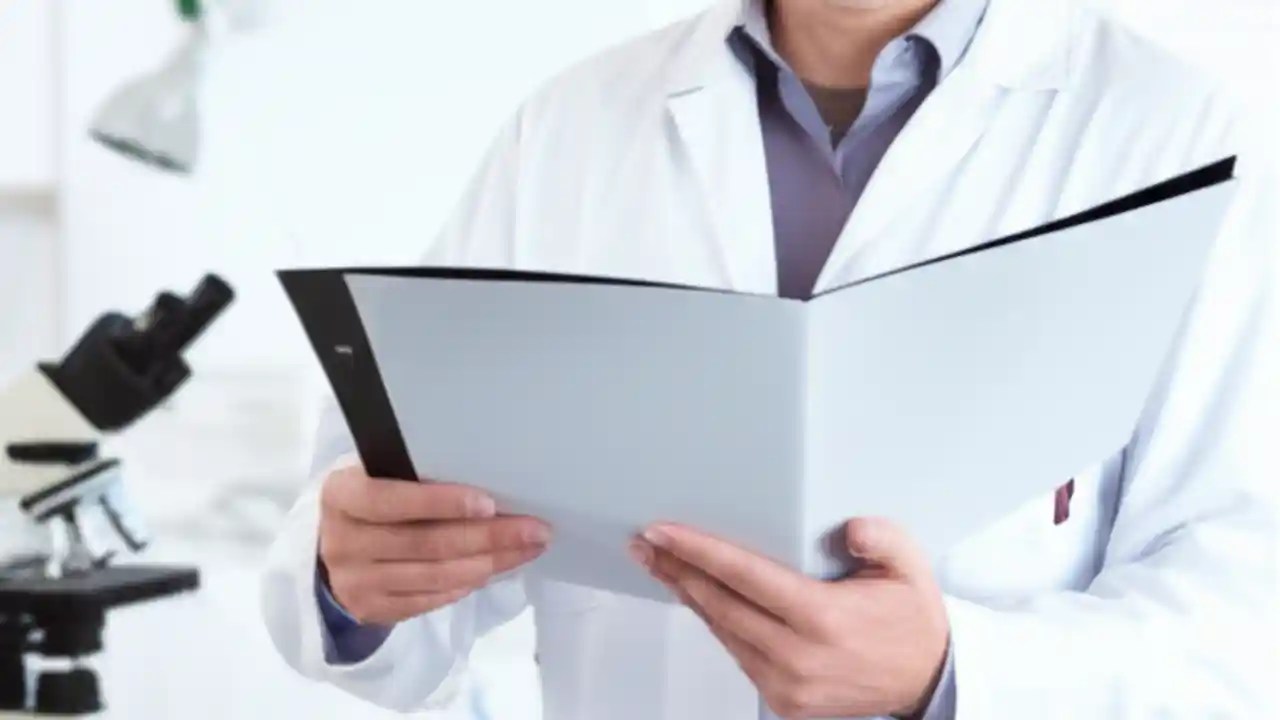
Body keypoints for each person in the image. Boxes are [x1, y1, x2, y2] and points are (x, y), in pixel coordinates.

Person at [260, 0, 1278, 717]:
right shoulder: (572, 127)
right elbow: (391, 490)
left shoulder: (1176, 134)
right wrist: (344, 576)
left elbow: (1238, 623)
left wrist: (952, 671)